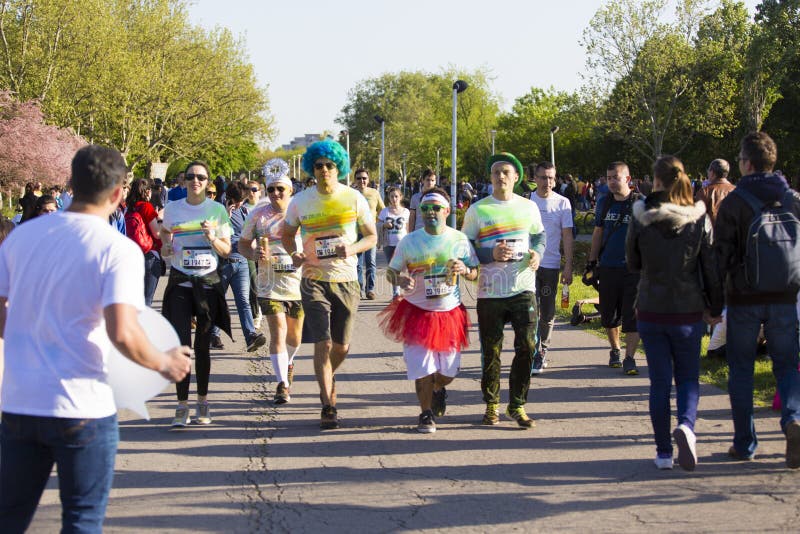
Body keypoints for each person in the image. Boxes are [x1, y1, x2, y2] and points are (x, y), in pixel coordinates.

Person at [0, 145, 191, 533]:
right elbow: (122, 331)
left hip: (20, 402)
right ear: (120, 192)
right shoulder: (117, 249)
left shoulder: (20, 238)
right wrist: (165, 362)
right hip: (82, 404)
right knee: (82, 520)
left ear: (71, 184)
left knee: (8, 519)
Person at [626, 155, 724, 471]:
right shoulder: (699, 219)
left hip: (651, 310)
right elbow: (710, 266)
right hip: (687, 310)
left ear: (655, 181)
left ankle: (663, 453)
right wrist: (715, 305)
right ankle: (686, 426)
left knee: (658, 383)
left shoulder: (641, 216)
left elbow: (633, 262)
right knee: (687, 379)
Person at [714, 131, 800, 467]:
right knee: (787, 365)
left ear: (747, 163)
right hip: (785, 296)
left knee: (741, 370)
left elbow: (720, 255)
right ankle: (792, 418)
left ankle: (745, 443)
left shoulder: (734, 202)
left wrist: (713, 301)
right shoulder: (793, 199)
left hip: (744, 297)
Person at [282, 139, 377, 430]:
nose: (324, 170)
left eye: (330, 166)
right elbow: (287, 235)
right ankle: (328, 404)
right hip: (313, 279)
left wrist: (351, 249)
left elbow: (371, 237)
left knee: (342, 346)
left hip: (347, 280)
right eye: (319, 166)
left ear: (339, 169)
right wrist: (294, 252)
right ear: (313, 169)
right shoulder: (300, 201)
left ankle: (325, 374)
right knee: (322, 343)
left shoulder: (354, 198)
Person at [380, 188, 478, 433]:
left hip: (449, 313)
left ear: (447, 210)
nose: (430, 213)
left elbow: (476, 272)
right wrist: (400, 280)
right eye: (425, 209)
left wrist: (465, 271)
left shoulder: (459, 239)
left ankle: (438, 388)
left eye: (435, 208)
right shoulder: (409, 240)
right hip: (417, 310)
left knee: (449, 372)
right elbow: (391, 271)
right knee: (421, 368)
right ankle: (425, 413)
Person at [462, 153, 546, 428]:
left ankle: (518, 405)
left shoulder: (528, 207)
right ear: (490, 177)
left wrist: (538, 255)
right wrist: (490, 252)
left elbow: (539, 236)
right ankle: (492, 405)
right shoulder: (478, 210)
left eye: (506, 172)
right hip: (490, 291)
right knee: (492, 350)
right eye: (496, 172)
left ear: (516, 177)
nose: (501, 177)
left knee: (528, 346)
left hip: (523, 287)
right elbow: (465, 248)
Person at [160, 160, 233, 427]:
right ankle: (181, 406)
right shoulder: (172, 209)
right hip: (181, 283)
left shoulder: (217, 210)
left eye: (201, 177)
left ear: (208, 181)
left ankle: (202, 402)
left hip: (208, 285)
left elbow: (226, 251)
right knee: (182, 347)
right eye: (190, 177)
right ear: (184, 180)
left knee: (202, 347)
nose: (195, 181)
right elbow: (165, 236)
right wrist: (166, 248)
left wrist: (212, 237)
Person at [240, 168, 304, 405]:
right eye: (271, 189)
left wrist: (303, 257)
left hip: (297, 284)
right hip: (269, 283)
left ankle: (288, 362)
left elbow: (313, 243)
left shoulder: (302, 213)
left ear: (290, 190)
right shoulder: (258, 215)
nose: (276, 193)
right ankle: (282, 385)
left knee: (295, 338)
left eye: (281, 189)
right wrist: (254, 253)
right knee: (277, 330)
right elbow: (243, 245)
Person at [586, 162, 641, 375]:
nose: (610, 181)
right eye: (608, 178)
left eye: (615, 177)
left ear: (627, 179)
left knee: (632, 315)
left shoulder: (640, 203)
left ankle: (630, 357)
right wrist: (591, 262)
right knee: (609, 314)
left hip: (633, 269)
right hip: (608, 266)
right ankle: (615, 349)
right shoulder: (604, 202)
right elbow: (598, 232)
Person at [210, 181, 266, 353]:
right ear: (229, 198)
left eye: (242, 200)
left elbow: (249, 235)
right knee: (219, 301)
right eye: (237, 200)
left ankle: (250, 336)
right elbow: (210, 231)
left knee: (244, 301)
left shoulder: (244, 211)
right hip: (223, 262)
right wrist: (225, 213)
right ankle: (214, 335)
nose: (240, 203)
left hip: (241, 261)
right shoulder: (218, 210)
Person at [528, 161, 574, 373]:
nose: (547, 182)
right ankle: (529, 350)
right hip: (527, 266)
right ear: (535, 179)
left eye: (551, 178)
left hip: (550, 266)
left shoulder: (563, 203)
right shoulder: (527, 201)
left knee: (547, 311)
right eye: (543, 177)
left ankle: (542, 351)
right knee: (529, 311)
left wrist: (568, 266)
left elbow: (567, 236)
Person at [125, 178, 163, 306]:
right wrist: (160, 219)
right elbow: (157, 233)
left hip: (131, 255)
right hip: (149, 255)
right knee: (147, 300)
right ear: (146, 192)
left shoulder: (128, 208)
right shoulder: (147, 207)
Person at [352, 168, 384, 299]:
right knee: (357, 264)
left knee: (370, 262)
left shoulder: (374, 193)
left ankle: (370, 289)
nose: (362, 181)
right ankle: (359, 289)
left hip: (370, 234)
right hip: (356, 234)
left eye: (364, 178)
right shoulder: (351, 194)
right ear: (355, 180)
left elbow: (382, 210)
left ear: (368, 180)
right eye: (359, 178)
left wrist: (378, 225)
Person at [377, 187, 410, 298]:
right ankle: (396, 292)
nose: (394, 198)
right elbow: (377, 225)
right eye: (391, 196)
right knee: (392, 268)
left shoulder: (406, 212)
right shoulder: (384, 211)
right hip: (388, 244)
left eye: (396, 196)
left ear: (400, 197)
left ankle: (407, 291)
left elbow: (408, 228)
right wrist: (384, 225)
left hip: (402, 244)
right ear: (389, 198)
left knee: (401, 268)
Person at [695, 158, 735, 226]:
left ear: (712, 173)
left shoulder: (705, 192)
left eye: (708, 170)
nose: (707, 173)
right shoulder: (737, 191)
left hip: (713, 234)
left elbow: (697, 219)